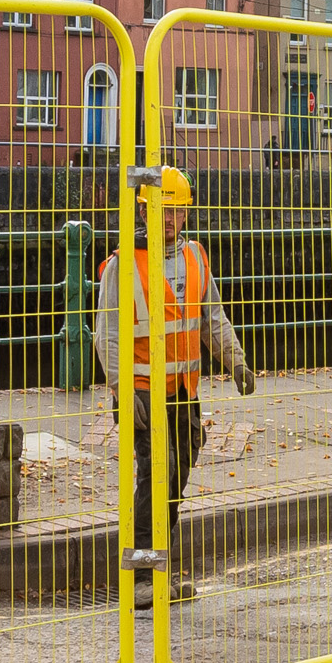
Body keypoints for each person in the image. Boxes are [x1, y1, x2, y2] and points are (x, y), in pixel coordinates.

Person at [95, 167, 255, 601]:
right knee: (158, 472)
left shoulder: (195, 258)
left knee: (175, 476)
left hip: (184, 393)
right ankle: (142, 579)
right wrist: (122, 391)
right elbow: (106, 336)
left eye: (177, 210)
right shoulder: (122, 265)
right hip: (144, 394)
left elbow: (212, 318)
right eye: (161, 209)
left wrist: (236, 361)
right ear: (144, 210)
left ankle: (156, 569)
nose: (169, 218)